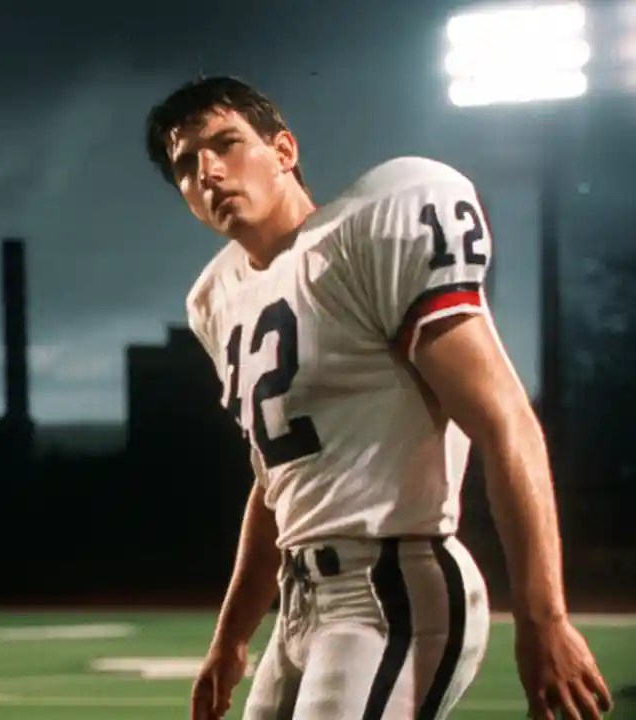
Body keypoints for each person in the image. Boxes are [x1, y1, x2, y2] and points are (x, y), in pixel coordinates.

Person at [143, 75, 612, 720]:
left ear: (284, 150)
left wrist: (544, 619)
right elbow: (277, 484)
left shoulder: (364, 234)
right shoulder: (218, 300)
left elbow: (506, 421)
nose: (210, 172)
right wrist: (231, 639)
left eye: (226, 143)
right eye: (187, 165)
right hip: (301, 599)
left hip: (395, 586)